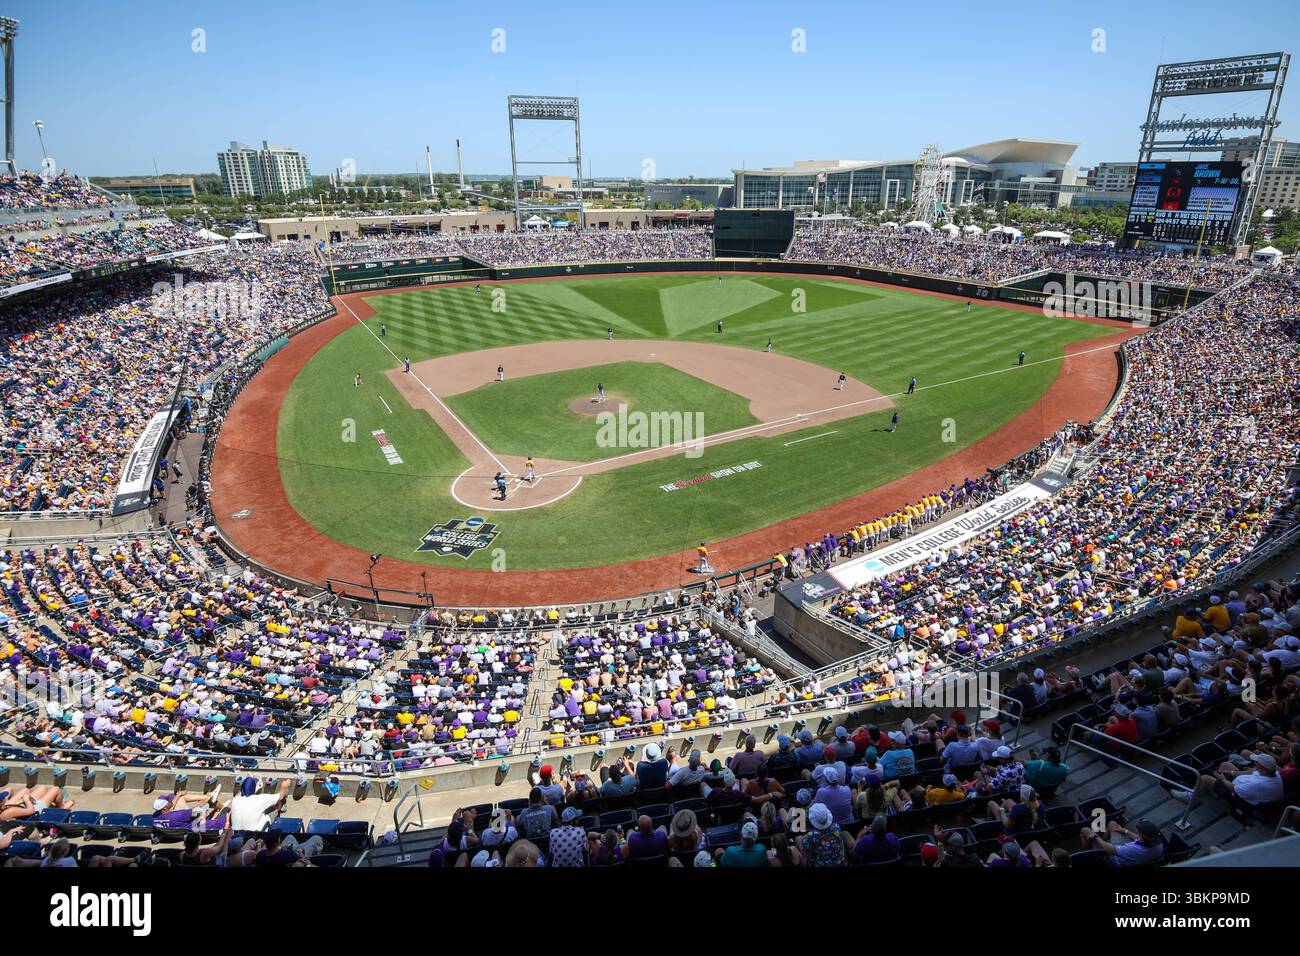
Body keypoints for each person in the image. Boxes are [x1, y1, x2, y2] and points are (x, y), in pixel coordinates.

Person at [1079, 819, 1165, 865]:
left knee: (1085, 830)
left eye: (1139, 831)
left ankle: (1088, 853)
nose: (1138, 832)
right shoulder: (1158, 844)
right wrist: (1124, 831)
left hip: (1116, 859)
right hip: (1133, 855)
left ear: (1142, 835)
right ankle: (1102, 840)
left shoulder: (1133, 849)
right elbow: (1138, 838)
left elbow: (1108, 848)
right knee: (1112, 824)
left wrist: (1096, 836)